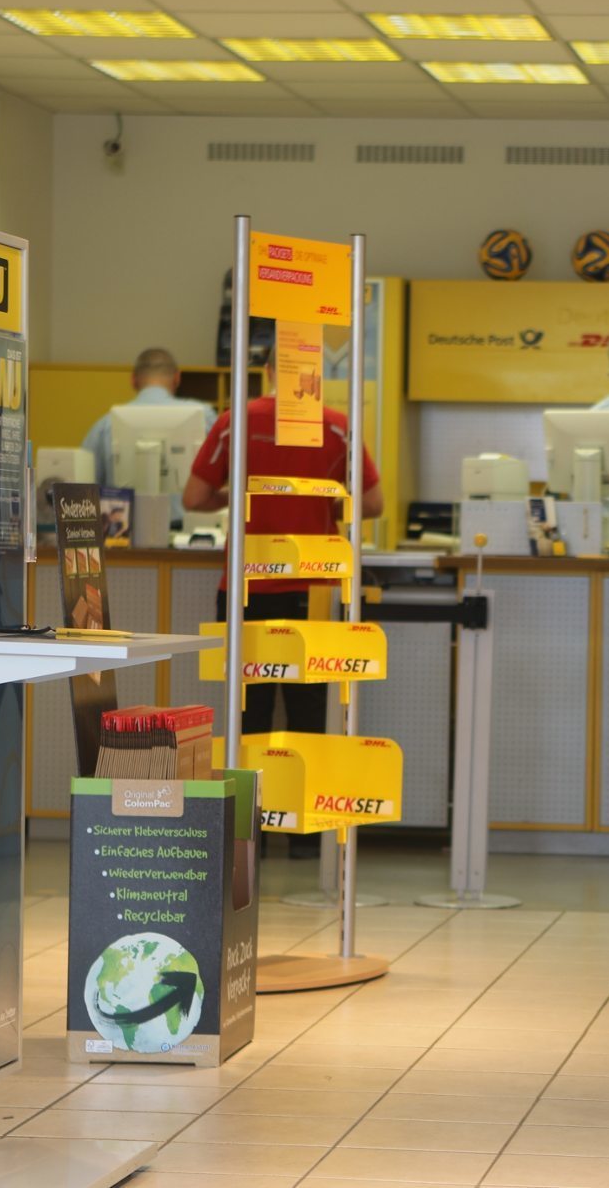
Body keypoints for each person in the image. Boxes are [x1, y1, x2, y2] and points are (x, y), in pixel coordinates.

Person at [183, 329, 383, 859]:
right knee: (308, 713)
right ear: (316, 381)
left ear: (270, 371)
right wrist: (322, 506)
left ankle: (248, 836)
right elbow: (375, 504)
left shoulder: (235, 422)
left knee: (244, 714)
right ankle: (307, 841)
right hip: (315, 590)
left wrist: (247, 495)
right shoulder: (340, 428)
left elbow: (195, 496)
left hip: (248, 586)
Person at [80, 347, 216, 526]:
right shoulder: (205, 417)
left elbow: (83, 489)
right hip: (191, 537)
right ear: (177, 378)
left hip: (123, 536)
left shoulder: (105, 425)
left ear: (133, 380)